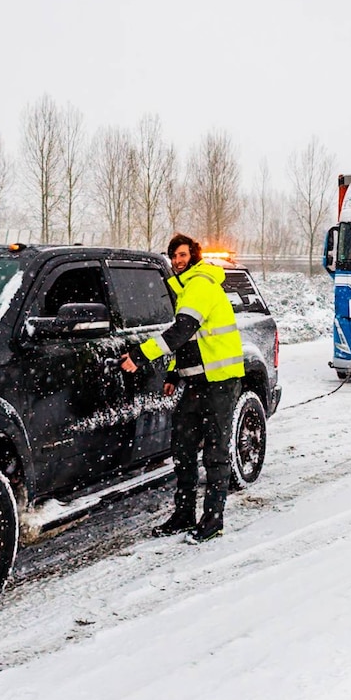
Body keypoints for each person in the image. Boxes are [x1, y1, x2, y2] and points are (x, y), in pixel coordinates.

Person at [120, 233, 244, 544]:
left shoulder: (200, 284)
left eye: (183, 255)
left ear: (195, 256)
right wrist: (175, 373)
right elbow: (191, 342)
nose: (178, 261)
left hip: (220, 382)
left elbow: (182, 330)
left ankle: (213, 519)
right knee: (184, 447)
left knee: (215, 452)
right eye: (174, 256)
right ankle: (184, 514)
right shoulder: (186, 288)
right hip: (197, 382)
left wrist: (139, 355)